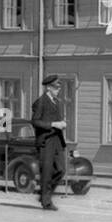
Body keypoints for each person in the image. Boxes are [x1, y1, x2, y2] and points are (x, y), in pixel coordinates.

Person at [31, 74, 68, 211]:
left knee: (61, 169)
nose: (58, 90)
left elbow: (57, 120)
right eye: (56, 88)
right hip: (46, 141)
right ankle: (46, 202)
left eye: (59, 88)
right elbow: (35, 121)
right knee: (46, 172)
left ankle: (44, 194)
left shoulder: (57, 102)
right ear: (48, 88)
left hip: (57, 140)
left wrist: (62, 123)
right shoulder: (41, 102)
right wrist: (53, 124)